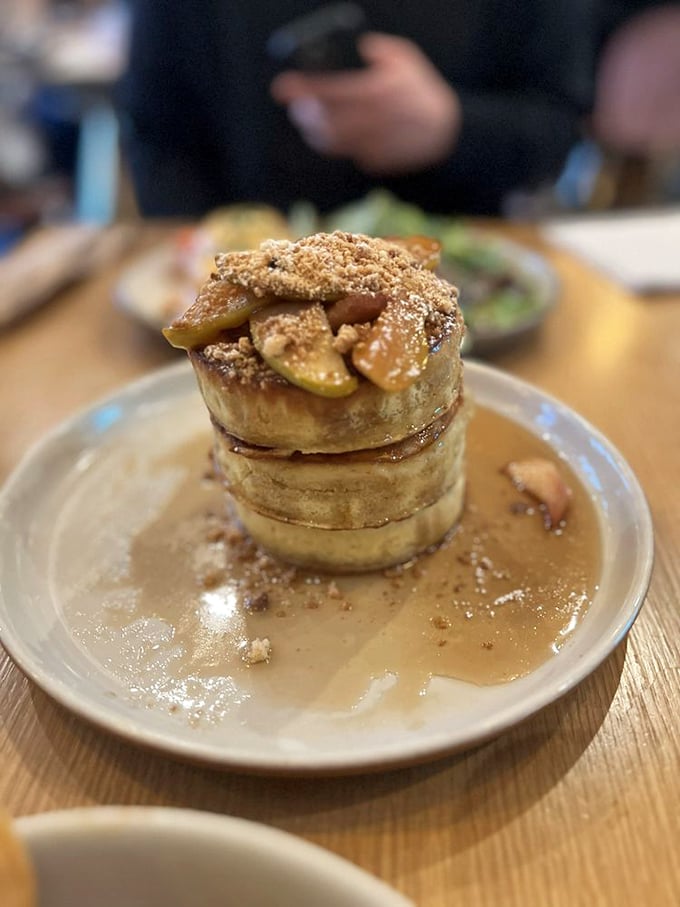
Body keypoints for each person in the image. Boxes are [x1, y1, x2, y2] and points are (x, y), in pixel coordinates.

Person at [119, 1, 599, 218]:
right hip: (232, 293)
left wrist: (452, 127)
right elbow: (153, 131)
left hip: (462, 298)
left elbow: (558, 126)